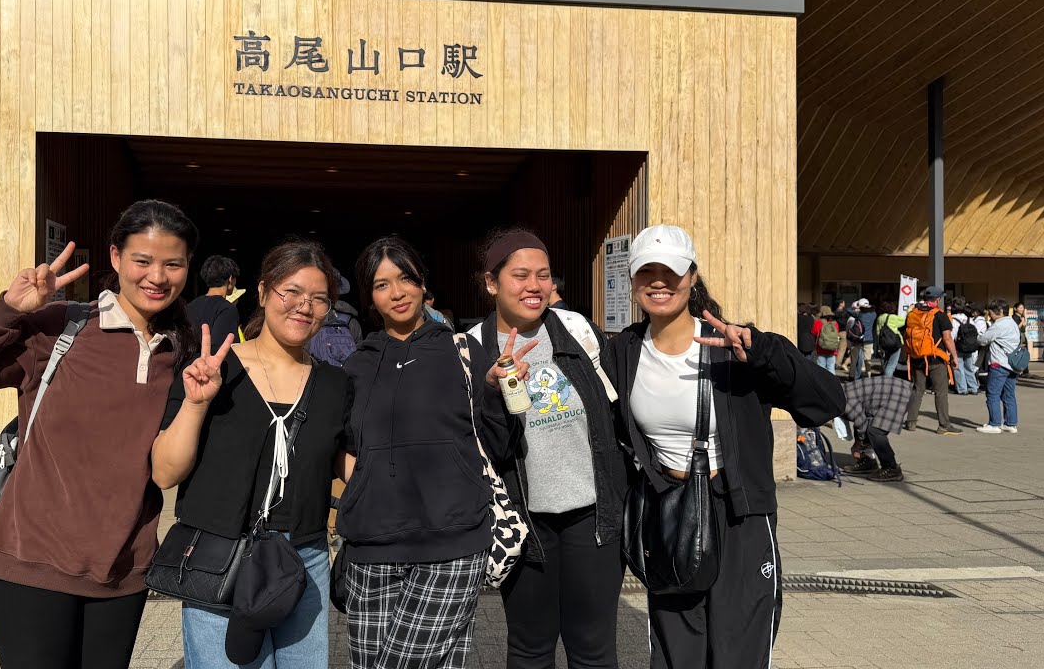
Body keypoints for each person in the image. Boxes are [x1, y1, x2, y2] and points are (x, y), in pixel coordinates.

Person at [0, 199, 198, 669]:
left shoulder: (179, 351)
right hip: (33, 562)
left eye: (172, 264)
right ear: (116, 258)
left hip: (122, 572)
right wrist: (8, 310)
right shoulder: (63, 328)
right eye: (142, 260)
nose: (157, 276)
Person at [601, 224, 844, 669]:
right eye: (646, 271)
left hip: (739, 516)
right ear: (632, 280)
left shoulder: (734, 346)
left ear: (692, 277)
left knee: (739, 654)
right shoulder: (623, 353)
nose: (659, 281)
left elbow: (827, 402)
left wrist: (766, 353)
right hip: (668, 514)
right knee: (677, 655)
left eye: (671, 271)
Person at [153, 240, 352, 669]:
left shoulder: (335, 386)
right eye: (291, 292)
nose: (304, 306)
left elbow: (348, 468)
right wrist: (195, 402)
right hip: (219, 555)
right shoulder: (213, 369)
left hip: (306, 556)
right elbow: (164, 472)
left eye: (319, 299)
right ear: (262, 292)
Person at [337, 236, 520, 669]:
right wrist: (365, 486)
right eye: (382, 285)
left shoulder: (462, 351)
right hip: (370, 547)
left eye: (405, 278)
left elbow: (497, 443)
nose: (397, 292)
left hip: (453, 540)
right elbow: (345, 448)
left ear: (422, 283)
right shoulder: (357, 364)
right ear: (369, 296)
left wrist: (500, 391)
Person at [465, 229, 627, 669]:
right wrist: (491, 391)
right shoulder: (469, 351)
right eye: (520, 275)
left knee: (593, 650)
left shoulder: (578, 333)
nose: (534, 286)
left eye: (543, 275)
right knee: (530, 649)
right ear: (491, 282)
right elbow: (478, 446)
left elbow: (619, 416)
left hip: (592, 518)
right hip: (523, 523)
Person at [902, 286, 959, 435]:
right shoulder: (940, 315)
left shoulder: (913, 313)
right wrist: (954, 356)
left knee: (917, 390)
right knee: (941, 392)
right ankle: (944, 425)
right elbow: (947, 337)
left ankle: (911, 422)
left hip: (916, 357)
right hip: (935, 358)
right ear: (938, 299)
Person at [839, 375, 912, 482]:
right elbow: (861, 419)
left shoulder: (843, 400)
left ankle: (891, 468)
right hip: (895, 391)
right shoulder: (842, 392)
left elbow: (860, 422)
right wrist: (860, 443)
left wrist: (859, 445)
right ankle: (868, 461)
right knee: (869, 429)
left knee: (875, 432)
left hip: (899, 393)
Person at [975, 299, 1021, 434]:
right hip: (1012, 365)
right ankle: (1010, 424)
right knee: (1009, 394)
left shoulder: (999, 325)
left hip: (999, 363)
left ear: (999, 312)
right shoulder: (1013, 323)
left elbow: (983, 340)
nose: (989, 316)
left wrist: (978, 336)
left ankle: (994, 424)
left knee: (993, 393)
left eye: (990, 313)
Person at [188, 255, 242, 353]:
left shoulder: (190, 306)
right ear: (230, 279)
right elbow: (224, 350)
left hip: (187, 366)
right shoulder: (227, 309)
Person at [949, 299, 978, 395]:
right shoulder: (968, 319)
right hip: (969, 347)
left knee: (958, 367)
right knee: (969, 367)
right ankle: (973, 387)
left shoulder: (952, 319)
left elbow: (952, 335)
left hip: (958, 346)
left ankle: (962, 389)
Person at [874, 301, 906, 379]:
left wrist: (879, 345)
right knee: (892, 365)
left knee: (886, 362)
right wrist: (909, 310)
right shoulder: (892, 317)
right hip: (894, 343)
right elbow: (904, 321)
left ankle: (884, 379)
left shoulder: (879, 318)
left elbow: (877, 332)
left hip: (884, 343)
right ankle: (887, 382)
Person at [852, 298, 877, 379]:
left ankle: (856, 376)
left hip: (859, 338)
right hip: (869, 338)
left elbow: (849, 310)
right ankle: (868, 375)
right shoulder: (874, 314)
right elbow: (874, 308)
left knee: (857, 358)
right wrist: (868, 306)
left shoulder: (860, 314)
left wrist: (858, 307)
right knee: (868, 359)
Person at [811, 305, 840, 373]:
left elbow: (813, 332)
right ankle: (832, 383)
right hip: (832, 349)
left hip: (821, 348)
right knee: (831, 368)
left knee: (821, 367)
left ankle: (822, 383)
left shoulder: (818, 322)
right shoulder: (835, 323)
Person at [1012, 302, 1031, 376]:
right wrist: (1022, 321)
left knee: (1024, 353)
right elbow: (1016, 328)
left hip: (1023, 335)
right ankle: (1018, 370)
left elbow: (1024, 327)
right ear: (1015, 309)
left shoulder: (1021, 317)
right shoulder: (1014, 317)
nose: (1021, 309)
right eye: (1020, 307)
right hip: (1018, 336)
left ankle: (1025, 370)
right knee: (1019, 353)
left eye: (1022, 307)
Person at [833, 300, 851, 372]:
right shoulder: (845, 313)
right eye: (844, 302)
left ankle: (833, 362)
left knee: (835, 348)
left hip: (835, 331)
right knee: (842, 349)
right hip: (843, 332)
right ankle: (837, 364)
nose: (844, 304)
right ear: (841, 303)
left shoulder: (834, 313)